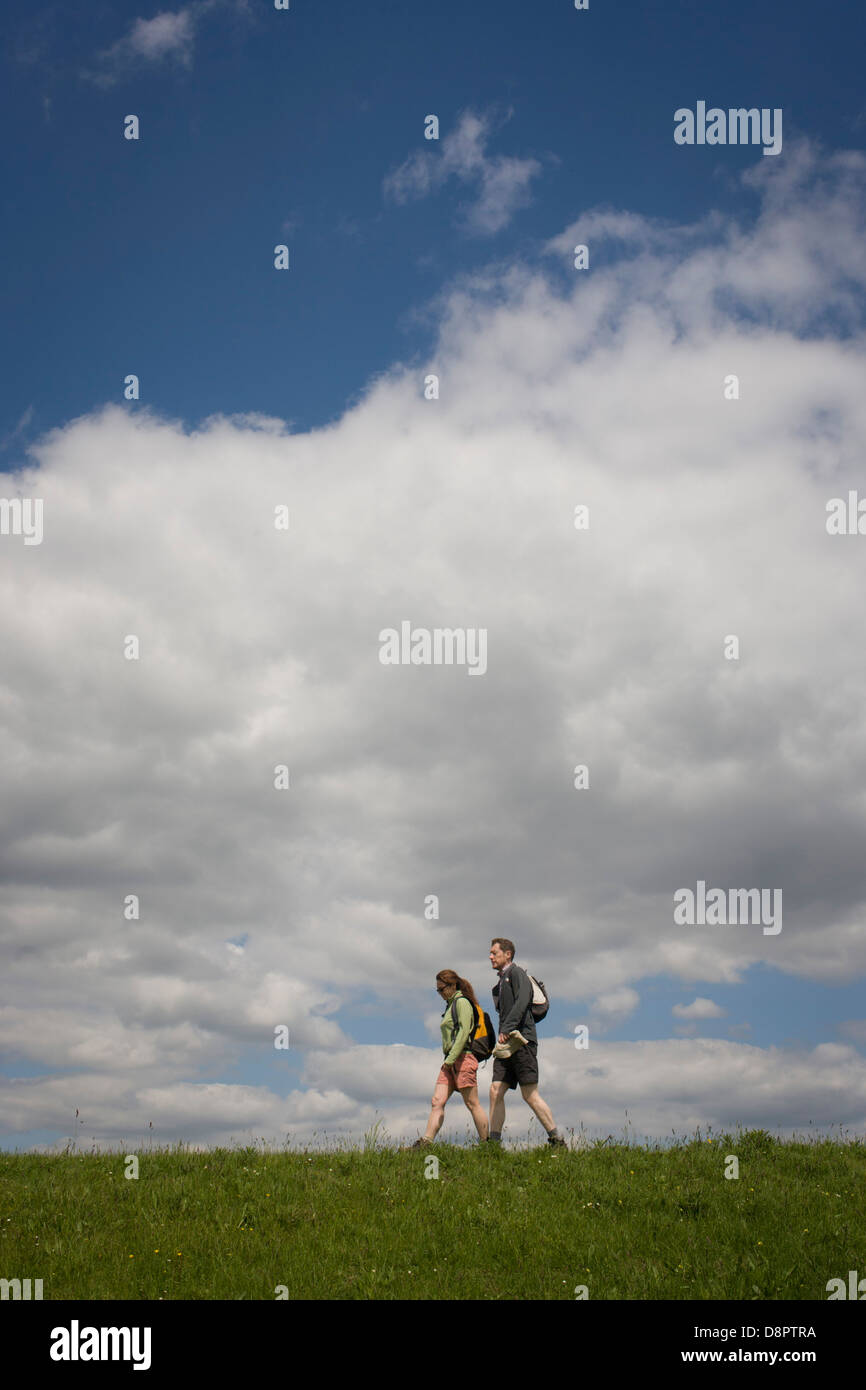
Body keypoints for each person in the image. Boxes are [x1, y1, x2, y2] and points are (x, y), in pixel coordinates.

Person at [488, 938, 566, 1147]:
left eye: (494, 953)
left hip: (523, 1041)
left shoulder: (517, 973)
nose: (490, 956)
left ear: (508, 955)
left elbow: (523, 1001)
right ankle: (493, 1145)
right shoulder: (501, 982)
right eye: (491, 953)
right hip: (506, 1044)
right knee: (495, 1090)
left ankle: (557, 1139)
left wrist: (507, 1028)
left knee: (529, 1094)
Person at [412, 970, 489, 1146]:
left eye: (442, 989)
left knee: (472, 1103)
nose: (440, 993)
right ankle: (426, 1142)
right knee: (437, 1101)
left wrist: (451, 1059)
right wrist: (449, 1060)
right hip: (450, 1061)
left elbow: (463, 1032)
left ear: (453, 985)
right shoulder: (450, 1004)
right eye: (437, 990)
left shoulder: (462, 1003)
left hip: (462, 1058)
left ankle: (487, 1144)